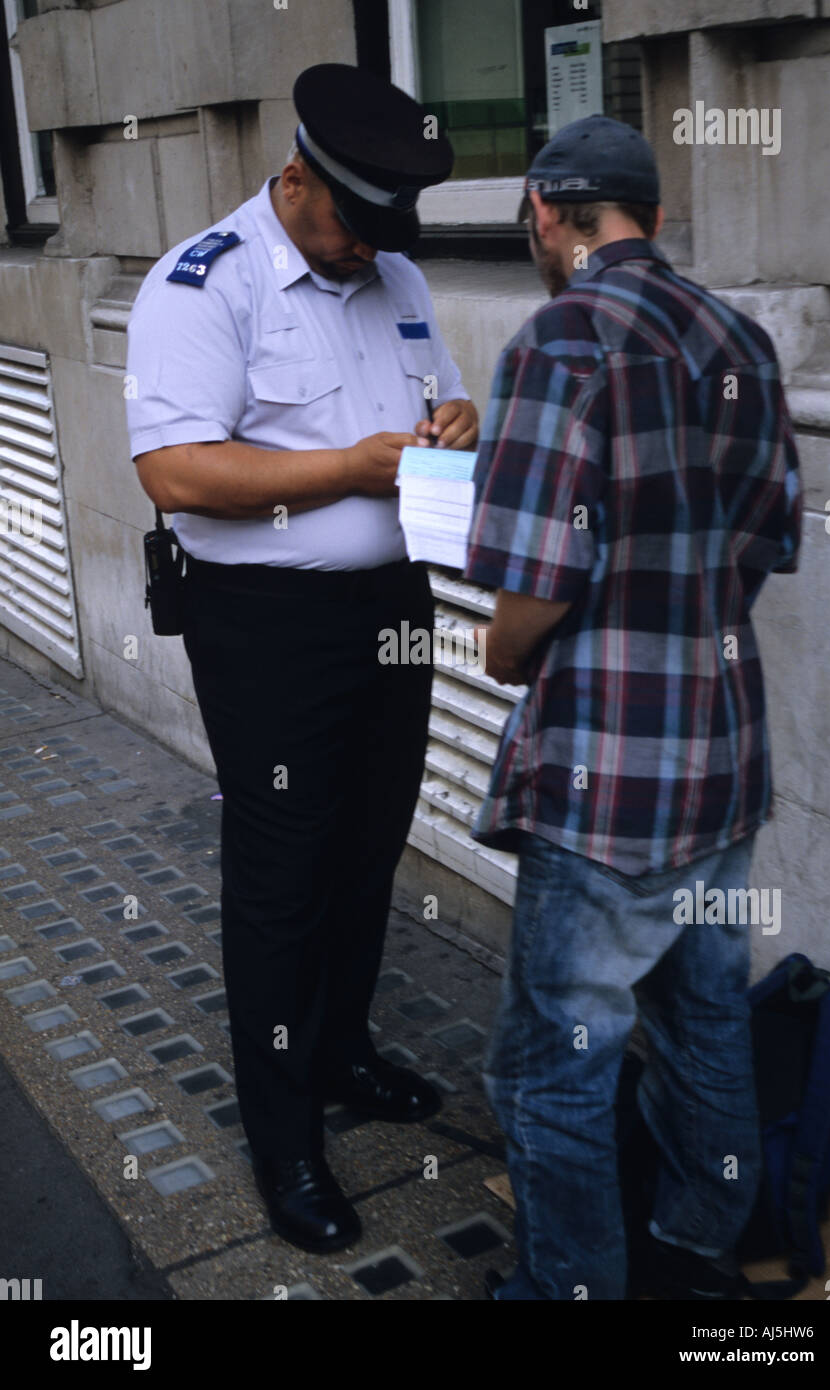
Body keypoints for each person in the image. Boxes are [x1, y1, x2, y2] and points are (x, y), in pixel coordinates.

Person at [125, 62, 478, 1255]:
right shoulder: (205, 285)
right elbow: (175, 473)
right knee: (282, 879)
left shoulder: (398, 269)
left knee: (370, 842)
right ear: (295, 179)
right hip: (267, 627)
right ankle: (284, 1135)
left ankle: (340, 1051)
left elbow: (448, 402)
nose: (368, 253)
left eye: (388, 233)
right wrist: (349, 467)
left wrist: (453, 426)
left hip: (395, 604)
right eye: (351, 227)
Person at [463, 114, 802, 1300]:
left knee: (553, 1066)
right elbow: (763, 541)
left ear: (551, 214)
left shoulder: (560, 342)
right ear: (650, 216)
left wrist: (497, 648)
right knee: (706, 1018)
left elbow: (534, 590)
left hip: (608, 781)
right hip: (721, 754)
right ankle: (698, 1244)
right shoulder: (741, 337)